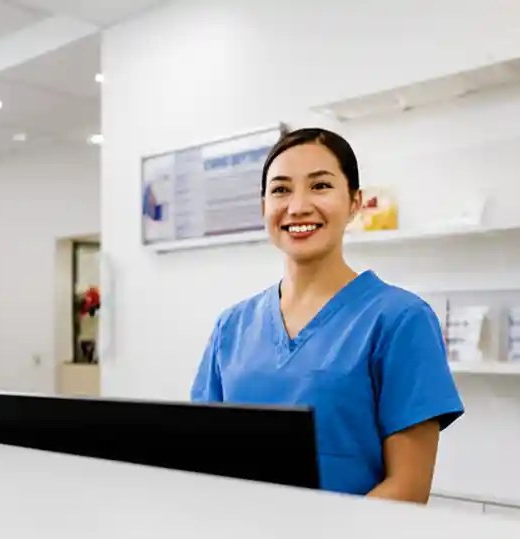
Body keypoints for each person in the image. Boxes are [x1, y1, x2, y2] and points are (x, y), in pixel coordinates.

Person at [191, 128, 463, 503]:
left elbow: (409, 488)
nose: (298, 206)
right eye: (281, 190)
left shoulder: (400, 319)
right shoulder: (232, 327)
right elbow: (202, 458)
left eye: (319, 186)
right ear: (263, 207)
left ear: (355, 202)